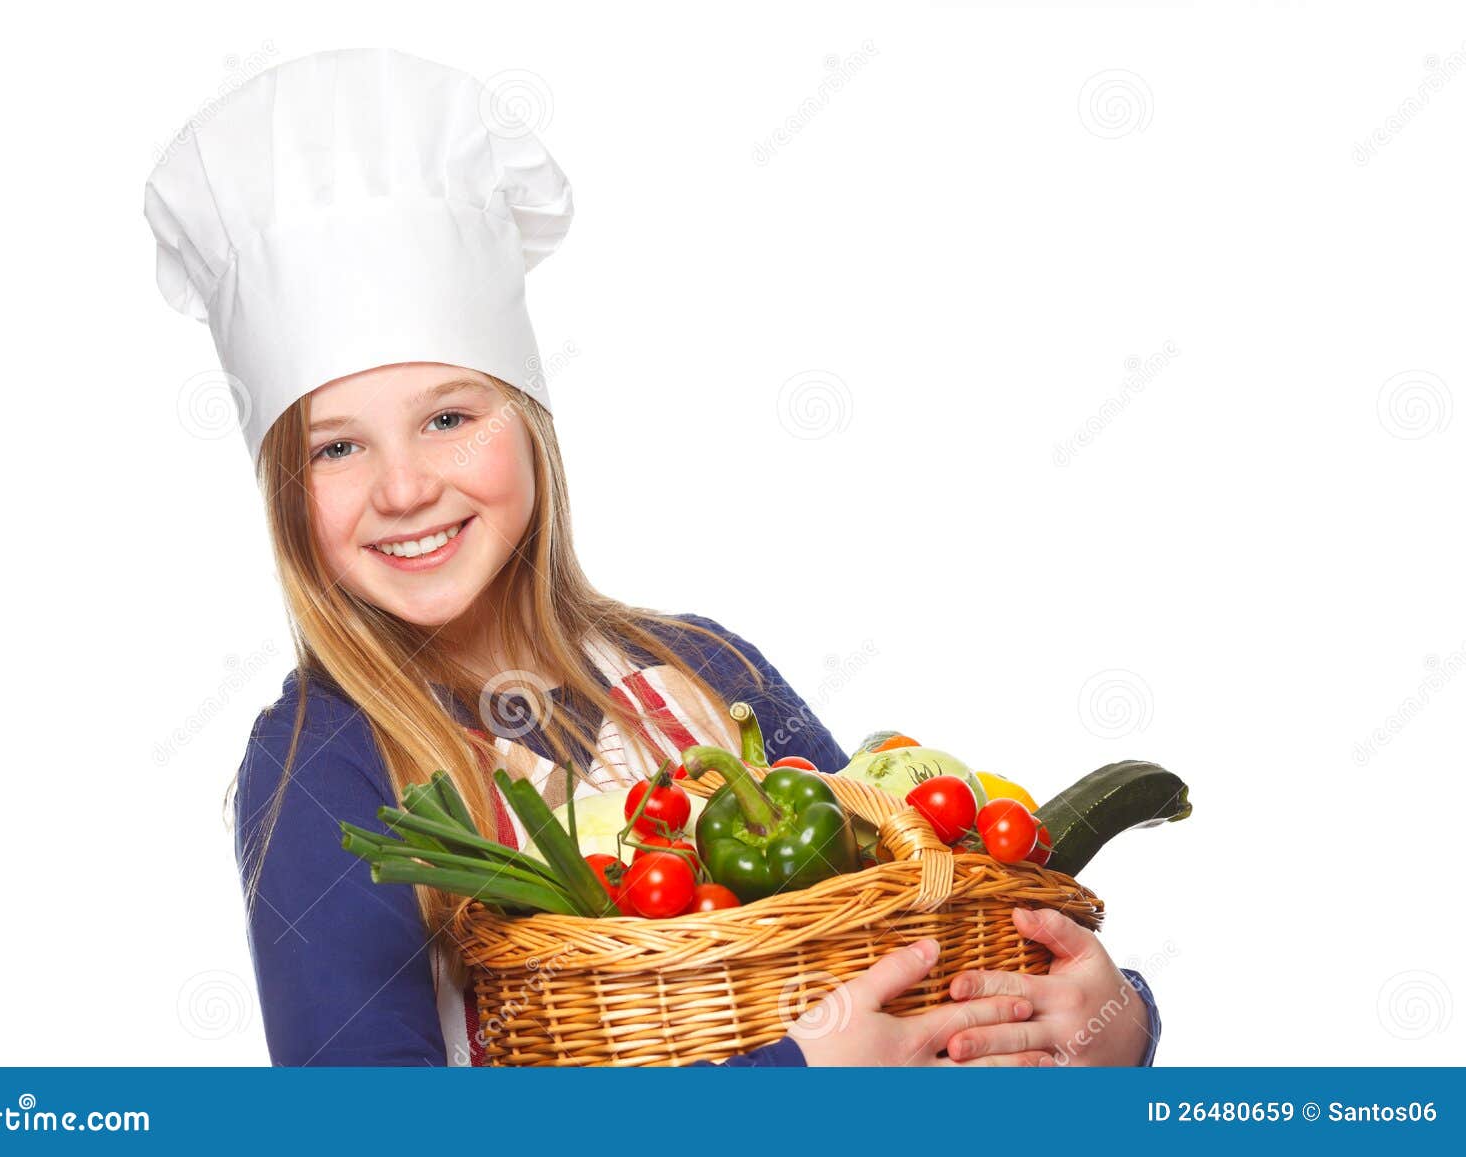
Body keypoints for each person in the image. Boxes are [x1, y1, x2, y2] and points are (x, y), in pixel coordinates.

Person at [144, 48, 1161, 1068]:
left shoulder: (709, 669)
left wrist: (1113, 1022)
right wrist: (794, 1083)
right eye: (337, 445)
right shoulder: (324, 765)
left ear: (528, 422)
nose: (403, 487)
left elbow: (905, 935)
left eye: (448, 415)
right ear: (287, 488)